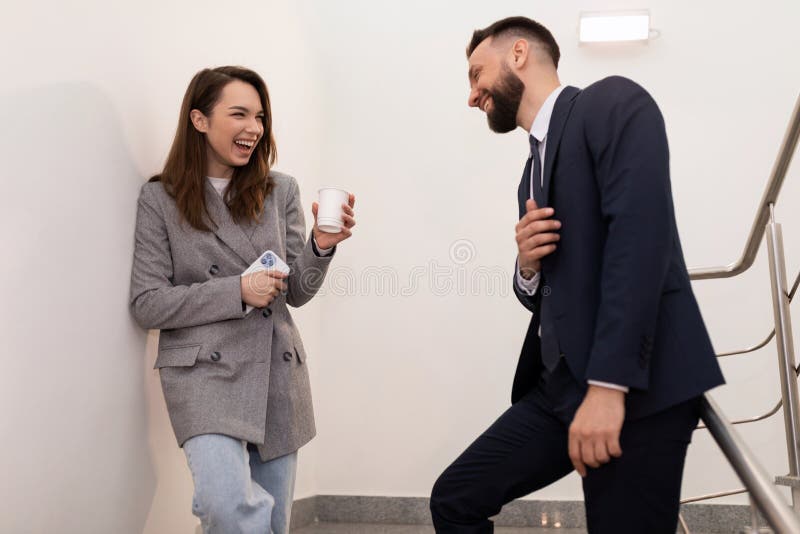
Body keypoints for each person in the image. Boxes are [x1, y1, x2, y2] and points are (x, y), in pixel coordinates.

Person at [430, 17, 724, 533]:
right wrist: (526, 266)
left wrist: (609, 387)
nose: (472, 96)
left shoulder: (612, 102)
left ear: (518, 53)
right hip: (560, 391)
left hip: (634, 388)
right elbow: (552, 290)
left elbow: (639, 242)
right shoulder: (531, 172)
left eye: (476, 74)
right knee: (454, 499)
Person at [129, 66, 355, 534]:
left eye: (260, 117)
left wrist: (321, 245)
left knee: (271, 522)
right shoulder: (160, 199)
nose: (254, 128)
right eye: (239, 114)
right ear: (199, 120)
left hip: (275, 370)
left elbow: (297, 291)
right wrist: (237, 290)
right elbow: (148, 303)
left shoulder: (280, 191)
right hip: (202, 374)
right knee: (226, 507)